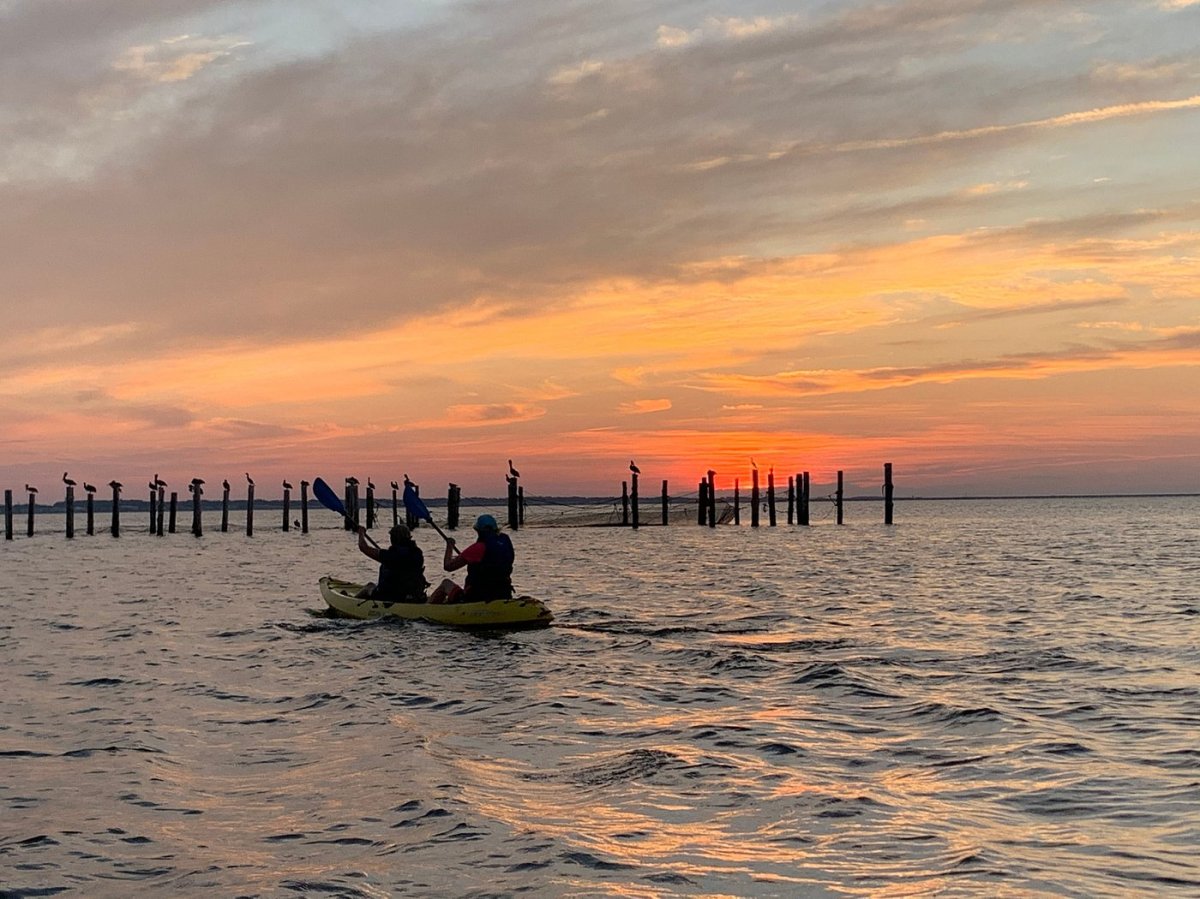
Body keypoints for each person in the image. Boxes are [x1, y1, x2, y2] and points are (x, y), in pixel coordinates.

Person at [429, 514, 514, 604]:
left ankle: (428, 609)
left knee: (446, 584)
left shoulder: (478, 548)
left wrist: (449, 546)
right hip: (503, 593)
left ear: (478, 531)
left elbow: (448, 566)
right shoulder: (506, 541)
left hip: (476, 597)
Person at [355, 523, 428, 603]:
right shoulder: (417, 553)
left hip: (390, 596)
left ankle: (352, 602)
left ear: (393, 539)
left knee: (369, 586)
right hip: (413, 594)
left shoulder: (390, 556)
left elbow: (364, 547)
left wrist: (361, 533)